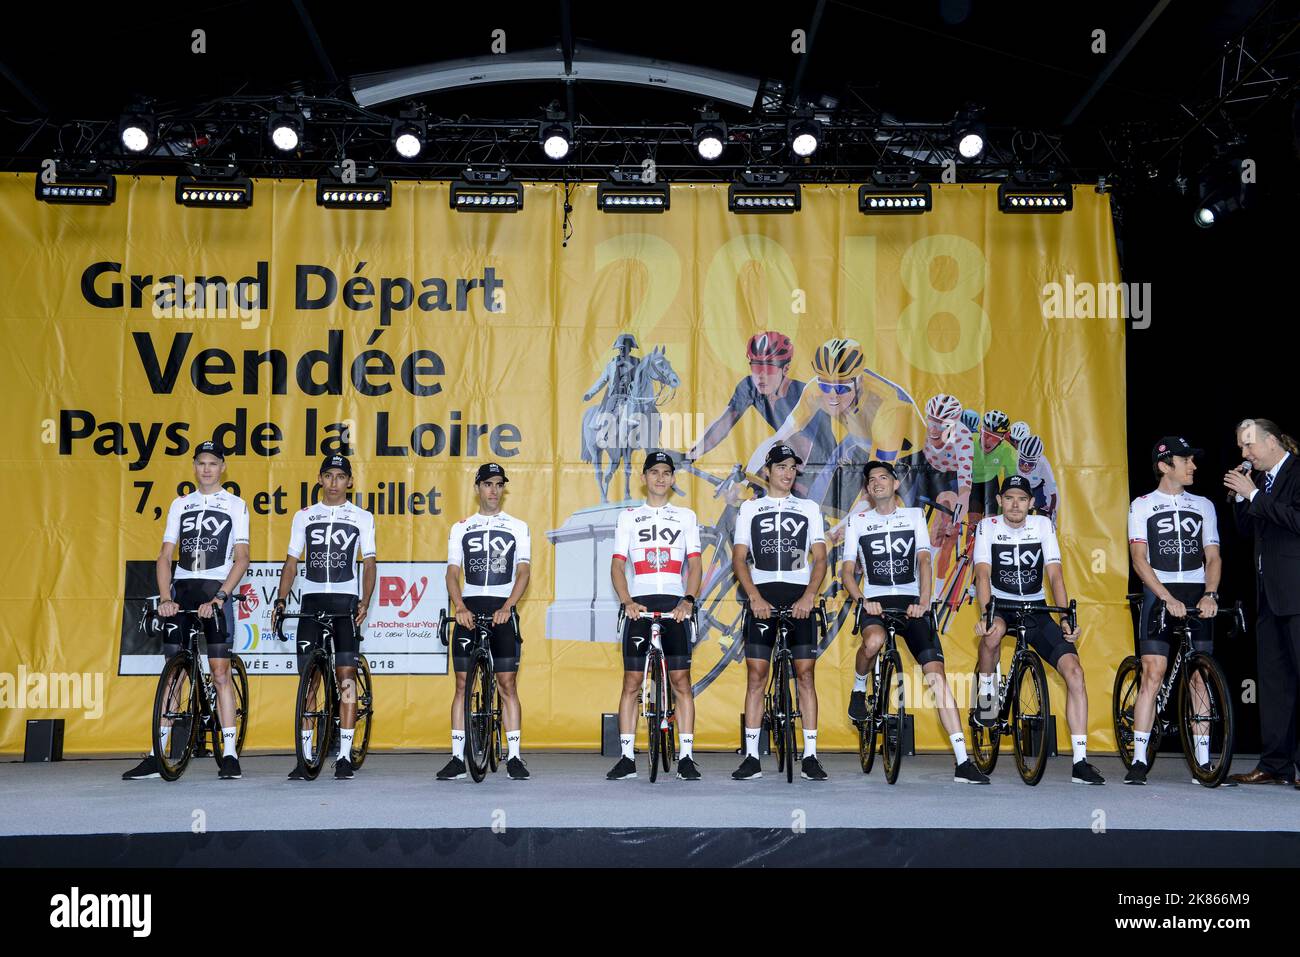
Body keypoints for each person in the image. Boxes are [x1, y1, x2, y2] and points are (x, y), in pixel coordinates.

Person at [842, 461, 989, 783]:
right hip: (875, 601)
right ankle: (858, 686)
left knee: (936, 676)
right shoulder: (859, 521)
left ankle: (963, 761)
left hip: (911, 602)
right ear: (867, 490)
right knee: (873, 642)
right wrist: (862, 600)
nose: (877, 483)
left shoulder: (912, 517)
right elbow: (847, 570)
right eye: (871, 480)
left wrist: (924, 601)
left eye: (883, 477)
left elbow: (924, 559)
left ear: (895, 484)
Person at [123, 440, 250, 780]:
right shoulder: (180, 505)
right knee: (174, 674)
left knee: (220, 673)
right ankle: (156, 754)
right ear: (194, 467)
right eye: (201, 463)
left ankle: (229, 752)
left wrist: (221, 597)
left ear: (222, 467)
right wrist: (166, 597)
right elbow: (165, 556)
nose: (207, 468)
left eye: (213, 463)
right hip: (184, 589)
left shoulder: (236, 505)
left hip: (214, 590)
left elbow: (242, 559)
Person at [971, 474, 1104, 784]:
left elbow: (1055, 576)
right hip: (1001, 605)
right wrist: (987, 613)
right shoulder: (987, 527)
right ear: (1000, 501)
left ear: (1031, 503)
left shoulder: (1043, 526)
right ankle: (987, 695)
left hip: (1036, 608)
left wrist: (1065, 619)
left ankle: (1081, 761)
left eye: (1021, 499)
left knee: (1075, 671)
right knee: (991, 634)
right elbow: (982, 573)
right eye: (1009, 498)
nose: (1015, 504)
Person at [1125, 437, 1222, 784]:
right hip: (1158, 590)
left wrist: (1210, 594)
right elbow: (1139, 559)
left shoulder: (1204, 505)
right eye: (1186, 461)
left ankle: (1202, 764)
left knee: (1200, 676)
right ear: (1165, 466)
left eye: (1193, 461)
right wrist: (1165, 597)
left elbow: (1212, 556)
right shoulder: (1141, 505)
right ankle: (1138, 759)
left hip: (1196, 590)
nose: (1193, 466)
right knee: (1154, 672)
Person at [273, 455, 376, 780]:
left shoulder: (362, 517)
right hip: (312, 602)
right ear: (319, 479)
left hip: (344, 602)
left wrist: (365, 600)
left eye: (340, 476)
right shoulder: (304, 516)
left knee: (346, 677)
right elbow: (291, 563)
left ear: (350, 482)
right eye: (328, 476)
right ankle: (305, 756)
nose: (334, 482)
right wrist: (279, 599)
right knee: (309, 684)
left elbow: (370, 564)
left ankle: (344, 755)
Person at [730, 444, 829, 781]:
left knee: (805, 675)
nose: (788, 473)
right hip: (763, 597)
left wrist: (810, 595)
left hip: (800, 596)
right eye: (781, 467)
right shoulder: (750, 509)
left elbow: (821, 557)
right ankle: (752, 756)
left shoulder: (809, 508)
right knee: (756, 676)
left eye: (792, 467)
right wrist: (754, 597)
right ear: (768, 471)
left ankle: (811, 755)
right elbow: (739, 558)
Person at [607, 451, 703, 781]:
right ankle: (626, 757)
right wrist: (627, 601)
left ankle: (687, 757)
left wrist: (688, 601)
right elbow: (618, 565)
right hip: (641, 604)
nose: (660, 478)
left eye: (666, 472)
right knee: (632, 682)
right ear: (644, 477)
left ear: (673, 478)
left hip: (675, 603)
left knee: (681, 682)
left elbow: (695, 563)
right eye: (654, 472)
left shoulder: (686, 516)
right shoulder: (628, 517)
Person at [748, 337, 921, 514]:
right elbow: (780, 436)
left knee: (879, 496)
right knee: (822, 484)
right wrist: (747, 478)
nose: (832, 396)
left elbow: (878, 482)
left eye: (841, 388)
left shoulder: (889, 406)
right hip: (861, 436)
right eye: (825, 386)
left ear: (859, 381)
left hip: (907, 450)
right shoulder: (815, 388)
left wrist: (837, 534)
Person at [437, 463, 532, 781]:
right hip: (469, 610)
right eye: (488, 484)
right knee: (462, 685)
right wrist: (459, 606)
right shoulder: (460, 527)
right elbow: (452, 573)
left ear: (504, 488)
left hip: (502, 610)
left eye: (499, 484)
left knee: (507, 686)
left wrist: (509, 606)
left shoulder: (518, 526)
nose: (494, 489)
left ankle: (515, 756)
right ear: (477, 487)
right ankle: (456, 758)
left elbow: (523, 572)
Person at [1224, 417, 1300, 787]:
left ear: (1272, 442)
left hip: (1297, 594)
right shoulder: (1262, 483)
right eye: (1241, 447)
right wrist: (1243, 497)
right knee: (1273, 684)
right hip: (1269, 596)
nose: (1245, 453)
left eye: (1249, 445)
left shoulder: (1298, 473)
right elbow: (1245, 530)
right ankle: (1275, 764)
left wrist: (1255, 495)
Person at [687, 332, 807, 461]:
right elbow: (723, 424)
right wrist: (691, 456)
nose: (761, 375)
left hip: (817, 457)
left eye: (769, 368)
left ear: (785, 369)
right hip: (789, 456)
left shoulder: (802, 393)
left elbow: (805, 443)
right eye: (756, 367)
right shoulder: (750, 386)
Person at [970, 410, 1018, 521]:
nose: (988, 441)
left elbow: (1010, 481)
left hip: (990, 484)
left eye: (995, 438)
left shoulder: (1008, 450)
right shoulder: (969, 440)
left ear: (1002, 439)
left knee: (991, 522)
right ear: (980, 431)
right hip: (970, 483)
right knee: (973, 523)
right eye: (986, 435)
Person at [1016, 434, 1059, 525]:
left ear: (1037, 460)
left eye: (1030, 464)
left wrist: (1051, 513)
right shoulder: (1014, 455)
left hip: (1037, 487)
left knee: (1045, 516)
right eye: (1022, 462)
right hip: (1022, 486)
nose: (1025, 466)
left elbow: (1054, 495)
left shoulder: (1043, 464)